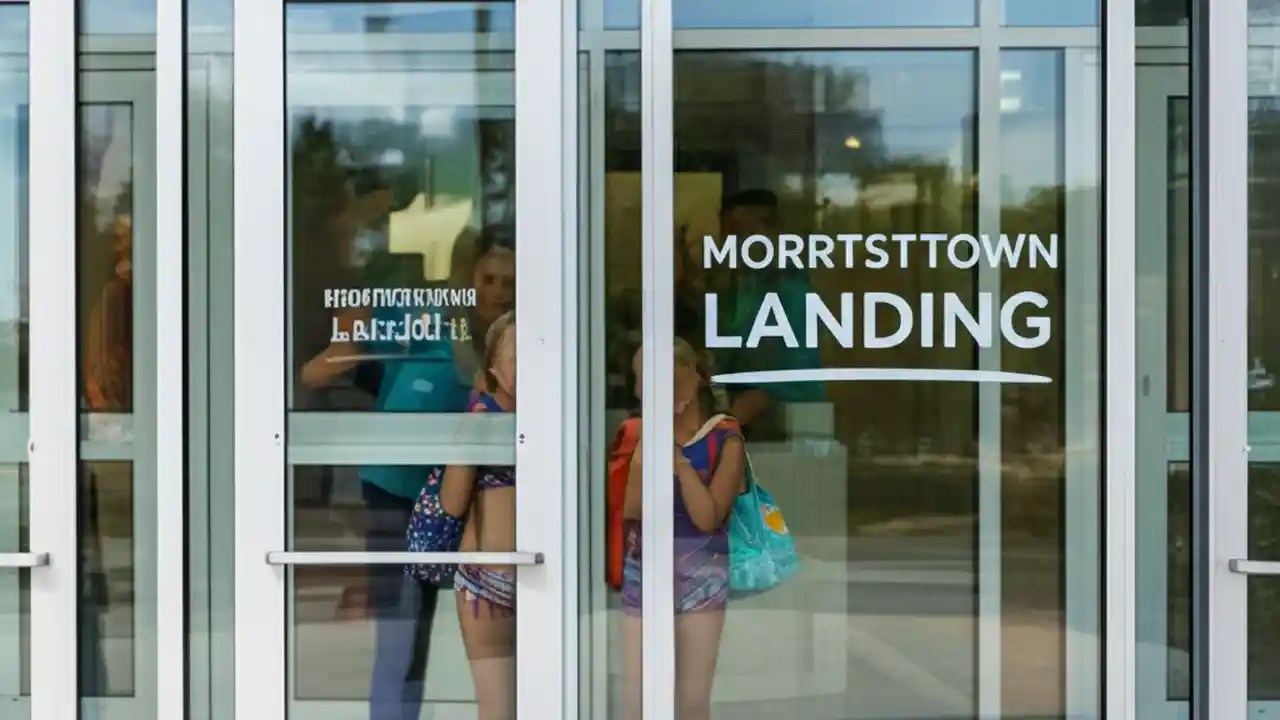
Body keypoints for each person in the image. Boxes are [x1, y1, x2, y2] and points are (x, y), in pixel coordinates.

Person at [619, 338, 747, 720]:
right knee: (639, 700)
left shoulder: (726, 437)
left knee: (691, 702)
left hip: (702, 576)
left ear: (690, 381)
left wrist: (678, 462)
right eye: (639, 378)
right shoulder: (635, 433)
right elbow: (629, 510)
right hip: (643, 572)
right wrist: (643, 459)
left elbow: (708, 517)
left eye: (653, 378)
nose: (643, 389)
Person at [438, 312, 518, 720]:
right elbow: (451, 504)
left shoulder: (562, 416)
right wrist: (473, 441)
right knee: (498, 709)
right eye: (515, 358)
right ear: (493, 367)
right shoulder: (482, 417)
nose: (525, 369)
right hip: (489, 582)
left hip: (551, 574)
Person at [711, 189, 825, 441]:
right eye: (729, 235)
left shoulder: (791, 290)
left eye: (746, 234)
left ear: (772, 232)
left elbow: (803, 372)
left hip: (790, 427)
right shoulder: (736, 290)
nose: (735, 244)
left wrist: (760, 397)